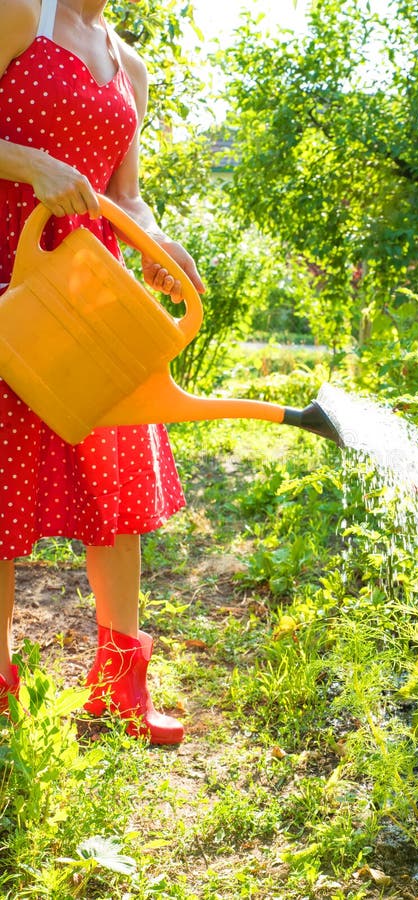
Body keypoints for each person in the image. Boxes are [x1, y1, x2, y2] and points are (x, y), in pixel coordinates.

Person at [0, 0, 205, 744]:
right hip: (13, 277)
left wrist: (159, 243)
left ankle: (120, 691)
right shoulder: (21, 17)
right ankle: (0, 693)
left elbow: (127, 196)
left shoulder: (129, 63)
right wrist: (28, 163)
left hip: (94, 287)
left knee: (114, 482)